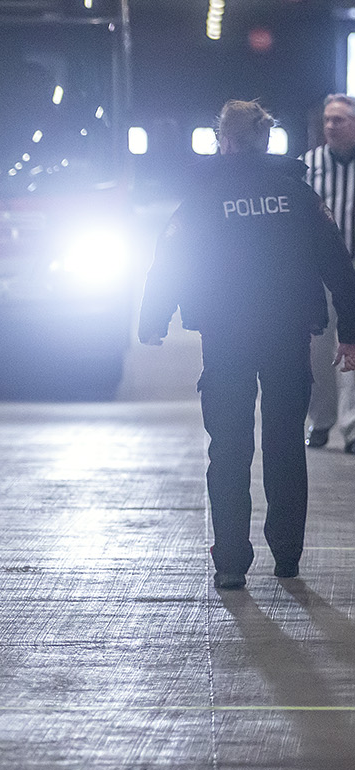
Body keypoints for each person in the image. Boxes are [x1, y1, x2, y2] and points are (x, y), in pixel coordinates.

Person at [140, 99, 355, 589]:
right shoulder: (295, 193)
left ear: (226, 141)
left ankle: (231, 561)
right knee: (285, 444)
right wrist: (351, 332)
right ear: (263, 141)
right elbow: (337, 262)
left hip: (226, 337)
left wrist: (154, 318)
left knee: (230, 446)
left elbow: (169, 257)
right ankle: (287, 556)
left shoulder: (203, 195)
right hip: (287, 335)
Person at [302, 93, 355, 452]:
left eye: (340, 120)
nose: (332, 126)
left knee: (352, 349)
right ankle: (320, 422)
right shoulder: (310, 164)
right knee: (318, 350)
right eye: (328, 120)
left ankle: (352, 427)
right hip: (320, 271)